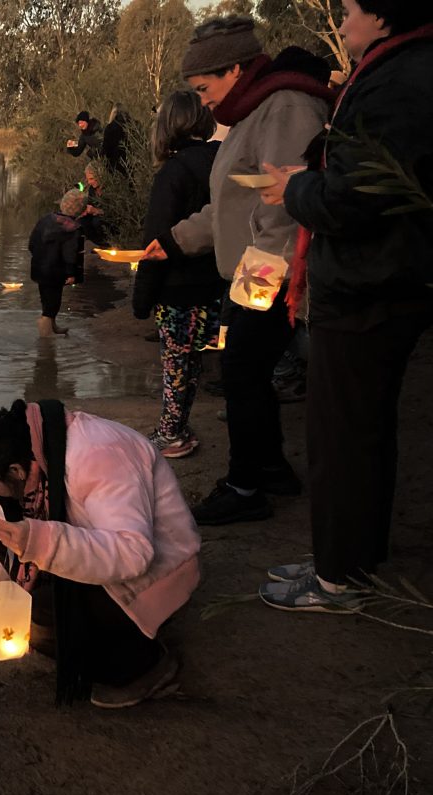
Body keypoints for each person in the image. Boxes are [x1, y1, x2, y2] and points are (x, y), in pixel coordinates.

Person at [254, 0, 433, 612]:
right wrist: (310, 172)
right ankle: (351, 561)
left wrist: (295, 187)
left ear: (385, 15)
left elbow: (355, 196)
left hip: (366, 286)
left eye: (351, 8)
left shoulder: (399, 78)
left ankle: (338, 579)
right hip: (378, 282)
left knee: (343, 437)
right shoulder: (400, 70)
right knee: (361, 433)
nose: (343, 19)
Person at [142, 15, 334, 525]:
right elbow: (230, 204)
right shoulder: (252, 112)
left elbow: (282, 208)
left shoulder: (285, 107)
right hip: (255, 268)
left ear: (234, 68)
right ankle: (270, 468)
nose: (203, 100)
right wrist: (174, 242)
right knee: (248, 373)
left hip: (270, 271)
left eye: (205, 87)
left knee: (241, 373)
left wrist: (255, 289)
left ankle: (245, 488)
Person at [0, 399, 201, 708]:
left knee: (36, 618)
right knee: (27, 592)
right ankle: (115, 641)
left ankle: (143, 668)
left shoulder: (98, 455)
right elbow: (9, 548)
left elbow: (133, 552)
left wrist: (42, 542)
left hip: (162, 569)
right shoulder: (40, 450)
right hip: (103, 552)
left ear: (17, 471)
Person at [133, 90, 227, 460]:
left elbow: (156, 241)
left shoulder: (174, 171)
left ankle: (171, 433)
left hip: (177, 288)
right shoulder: (220, 158)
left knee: (175, 365)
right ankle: (179, 428)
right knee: (195, 360)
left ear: (167, 124)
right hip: (217, 282)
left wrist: (142, 298)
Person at [28, 189, 85, 337]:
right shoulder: (72, 228)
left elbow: (31, 244)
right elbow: (70, 254)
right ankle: (46, 340)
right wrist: (71, 273)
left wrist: (39, 258)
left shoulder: (46, 219)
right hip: (56, 271)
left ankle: (52, 326)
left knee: (47, 298)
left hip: (40, 268)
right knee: (53, 302)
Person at [101, 104, 133, 175]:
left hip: (117, 166)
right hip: (133, 165)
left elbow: (106, 149)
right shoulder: (134, 125)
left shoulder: (110, 128)